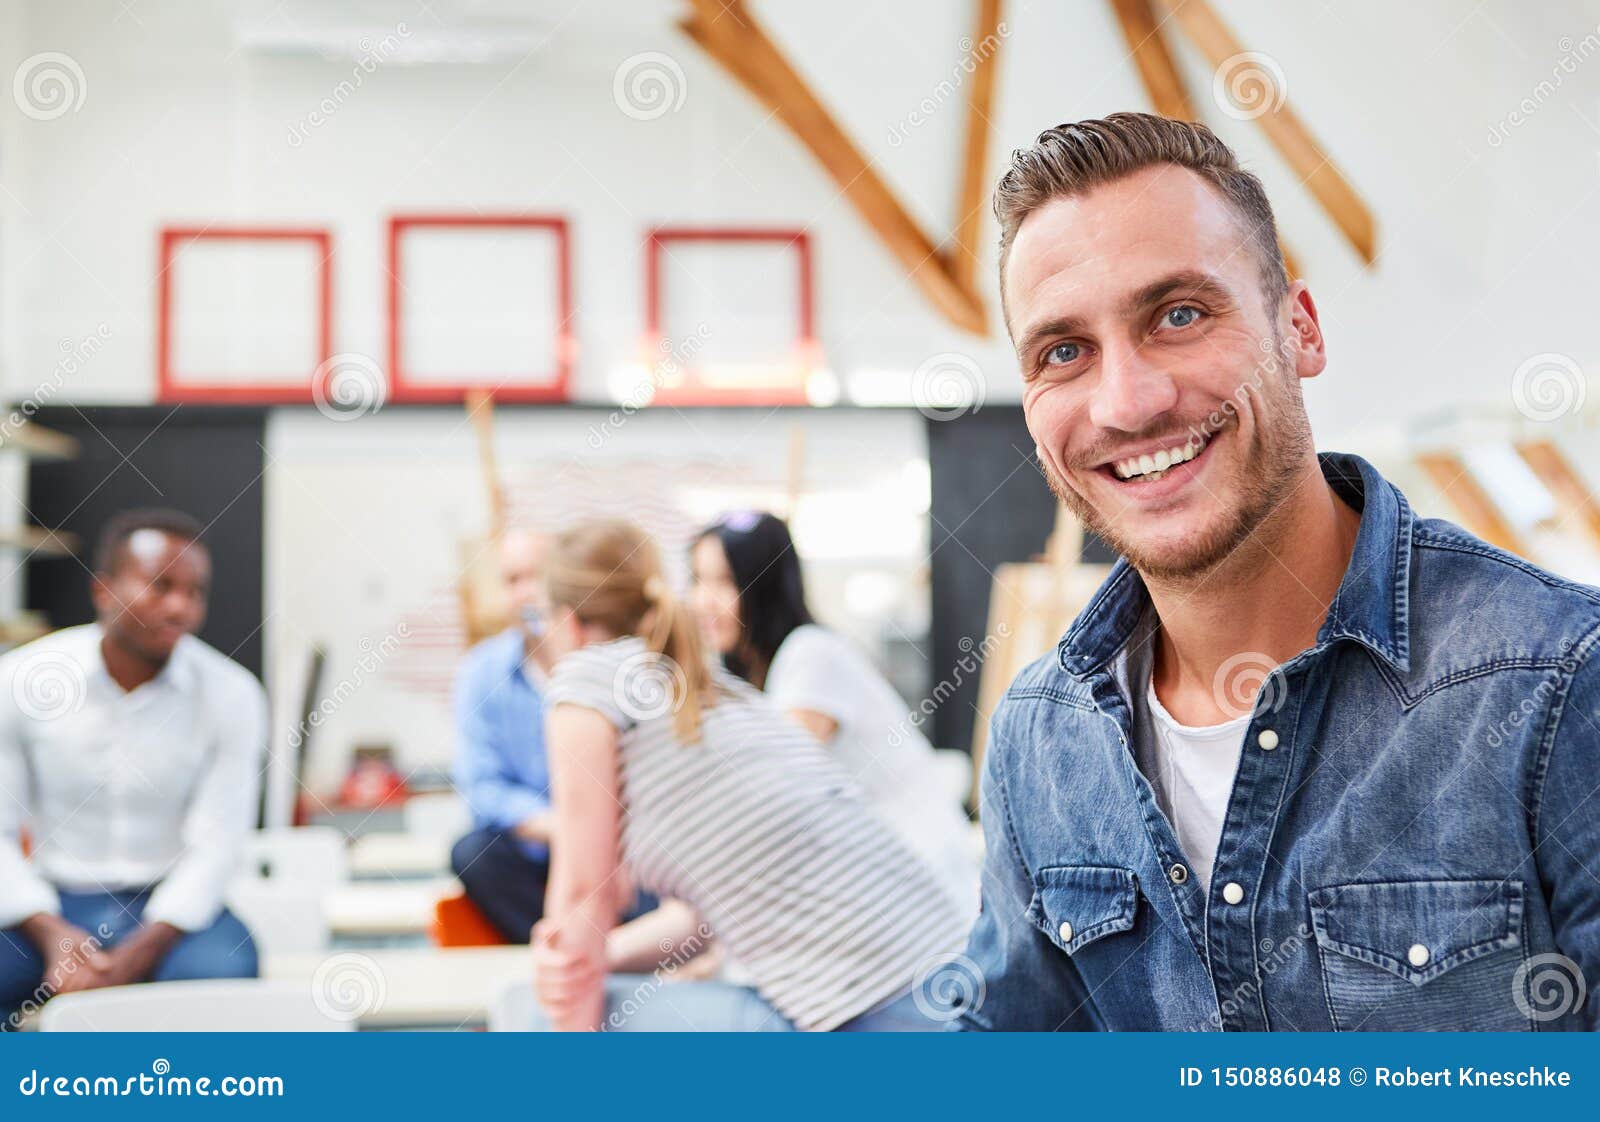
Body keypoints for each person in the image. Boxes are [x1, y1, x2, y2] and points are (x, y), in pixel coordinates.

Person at [957, 112, 1600, 1032]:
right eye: (1064, 352)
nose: (1127, 402)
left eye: (1180, 315)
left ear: (1299, 329)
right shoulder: (1040, 736)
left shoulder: (1559, 680)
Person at [525, 520, 970, 1032]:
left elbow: (583, 894)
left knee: (532, 1011)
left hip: (879, 1007)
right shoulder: (715, 693)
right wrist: (605, 955)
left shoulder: (586, 682)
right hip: (946, 983)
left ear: (566, 623)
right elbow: (710, 916)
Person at [0, 509, 266, 1025]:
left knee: (222, 980)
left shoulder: (232, 694)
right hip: (51, 902)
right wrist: (52, 933)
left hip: (172, 909)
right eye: (160, 585)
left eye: (195, 592)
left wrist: (135, 957)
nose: (180, 607)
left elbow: (218, 846)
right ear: (103, 590)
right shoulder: (21, 680)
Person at [690, 510, 977, 911]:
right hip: (877, 885)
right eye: (697, 580)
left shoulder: (812, 655)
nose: (703, 601)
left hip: (921, 891)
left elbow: (774, 792)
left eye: (724, 582)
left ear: (764, 587)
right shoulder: (755, 676)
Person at [448, 529, 560, 943]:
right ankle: (553, 944)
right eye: (513, 580)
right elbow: (482, 788)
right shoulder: (481, 671)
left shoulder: (597, 661)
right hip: (529, 845)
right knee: (472, 853)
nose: (526, 592)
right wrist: (556, 825)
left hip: (601, 842)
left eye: (537, 575)